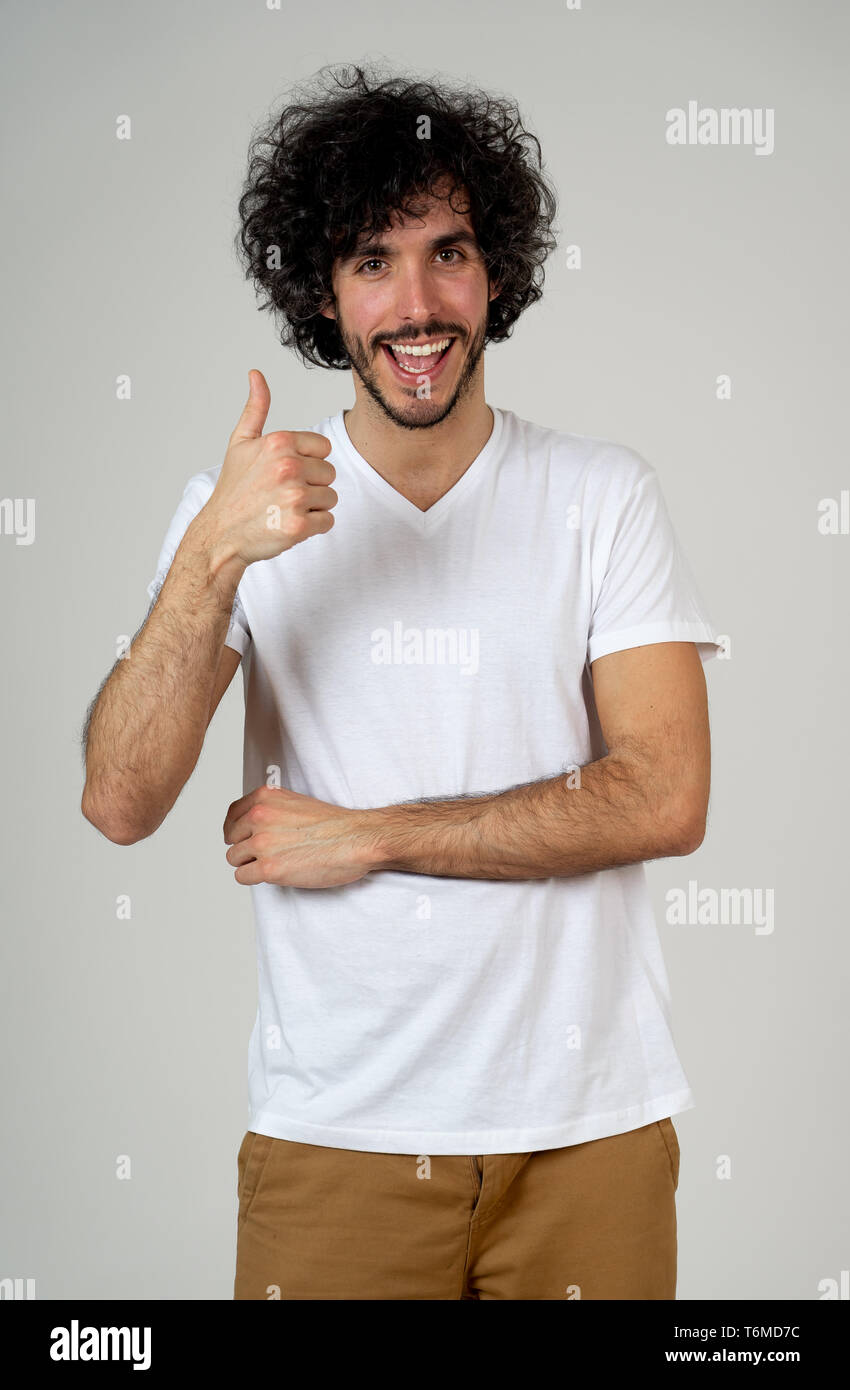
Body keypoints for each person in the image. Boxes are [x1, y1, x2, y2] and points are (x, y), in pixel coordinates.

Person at [81, 64, 719, 1300]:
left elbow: (662, 797)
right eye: (372, 260)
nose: (415, 304)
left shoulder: (601, 496)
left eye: (449, 253)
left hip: (589, 1135)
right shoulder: (234, 521)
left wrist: (366, 837)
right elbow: (120, 800)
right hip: (339, 1142)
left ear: (499, 275)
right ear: (322, 293)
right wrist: (215, 552)